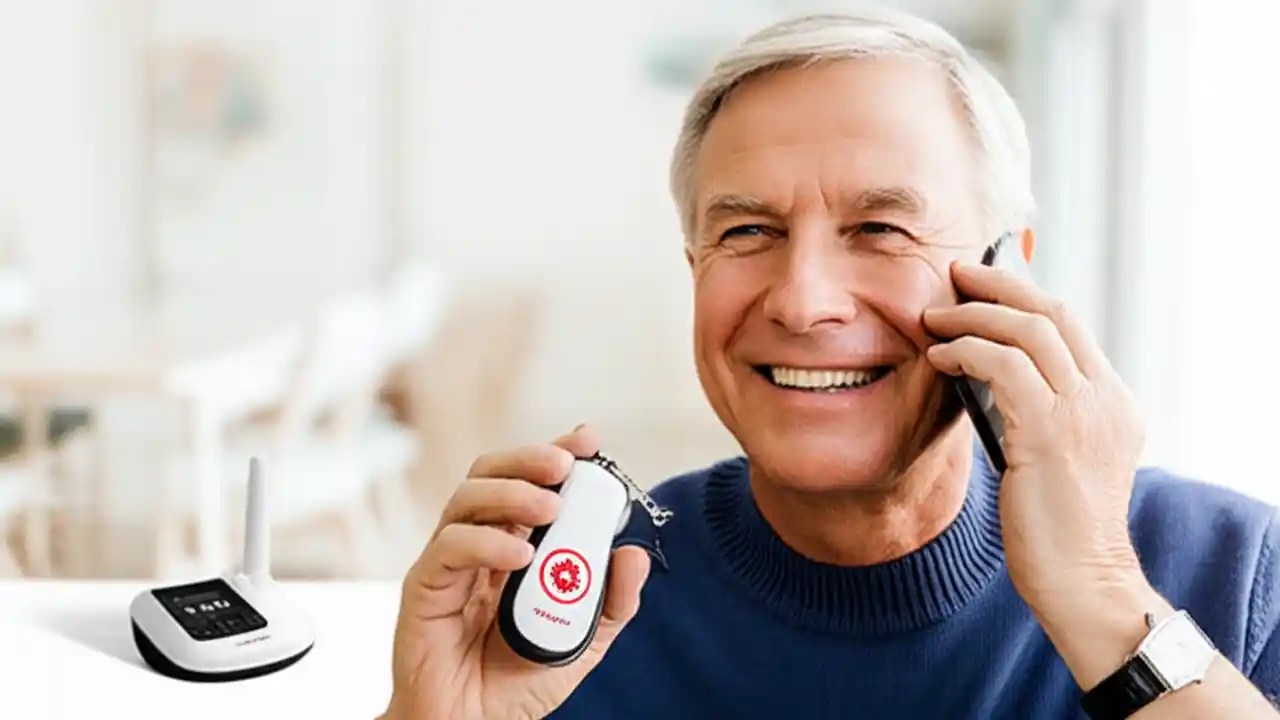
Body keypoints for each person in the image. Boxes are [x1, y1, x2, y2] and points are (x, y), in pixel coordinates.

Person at [379, 9, 1280, 719]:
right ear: (695, 269)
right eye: (747, 232)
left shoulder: (1235, 574)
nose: (803, 301)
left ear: (1009, 272)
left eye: (880, 228)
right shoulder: (563, 612)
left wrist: (1108, 603)